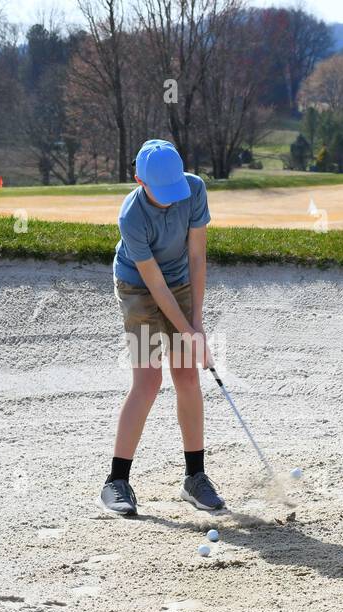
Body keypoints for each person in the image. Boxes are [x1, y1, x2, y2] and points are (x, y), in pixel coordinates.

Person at [99, 139, 224, 516]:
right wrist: (188, 332)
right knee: (148, 380)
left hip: (182, 283)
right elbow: (153, 284)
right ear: (139, 180)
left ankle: (195, 478)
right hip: (137, 286)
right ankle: (116, 481)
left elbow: (198, 256)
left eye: (175, 191)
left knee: (187, 377)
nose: (171, 199)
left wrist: (197, 324)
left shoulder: (194, 189)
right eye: (162, 193)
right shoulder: (131, 216)